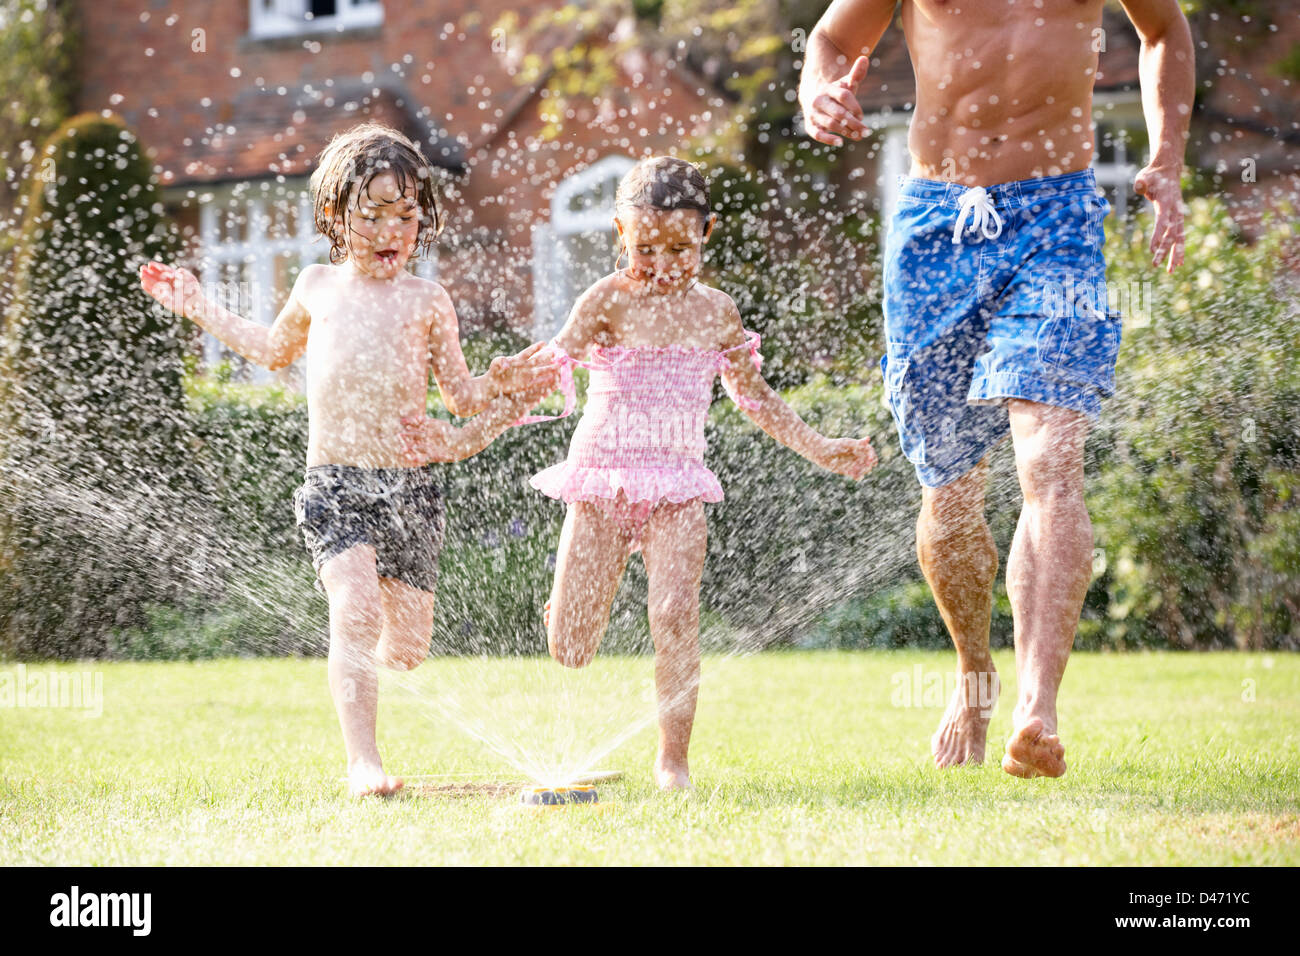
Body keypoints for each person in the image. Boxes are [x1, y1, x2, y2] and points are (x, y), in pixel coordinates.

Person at [798, 0, 1193, 776]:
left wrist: (1167, 157)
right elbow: (832, 38)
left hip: (1058, 220)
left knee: (1049, 462)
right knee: (950, 490)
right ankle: (973, 674)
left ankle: (1036, 710)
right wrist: (816, 90)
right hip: (934, 220)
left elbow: (1164, 29)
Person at [140, 123, 557, 797]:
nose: (392, 231)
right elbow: (271, 350)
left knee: (408, 650)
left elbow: (461, 397)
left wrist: (506, 391)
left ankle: (368, 665)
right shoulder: (316, 286)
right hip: (334, 485)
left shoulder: (428, 301)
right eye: (373, 215)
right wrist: (199, 308)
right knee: (356, 610)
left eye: (406, 215)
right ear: (335, 216)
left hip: (411, 489)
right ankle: (364, 761)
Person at [508, 156, 877, 790]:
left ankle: (672, 762)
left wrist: (820, 447)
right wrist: (498, 389)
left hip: (678, 485)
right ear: (621, 234)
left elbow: (754, 396)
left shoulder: (717, 313)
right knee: (571, 650)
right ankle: (566, 609)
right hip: (602, 477)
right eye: (644, 246)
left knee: (675, 614)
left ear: (707, 233)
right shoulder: (606, 299)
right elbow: (554, 363)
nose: (661, 262)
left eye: (680, 246)